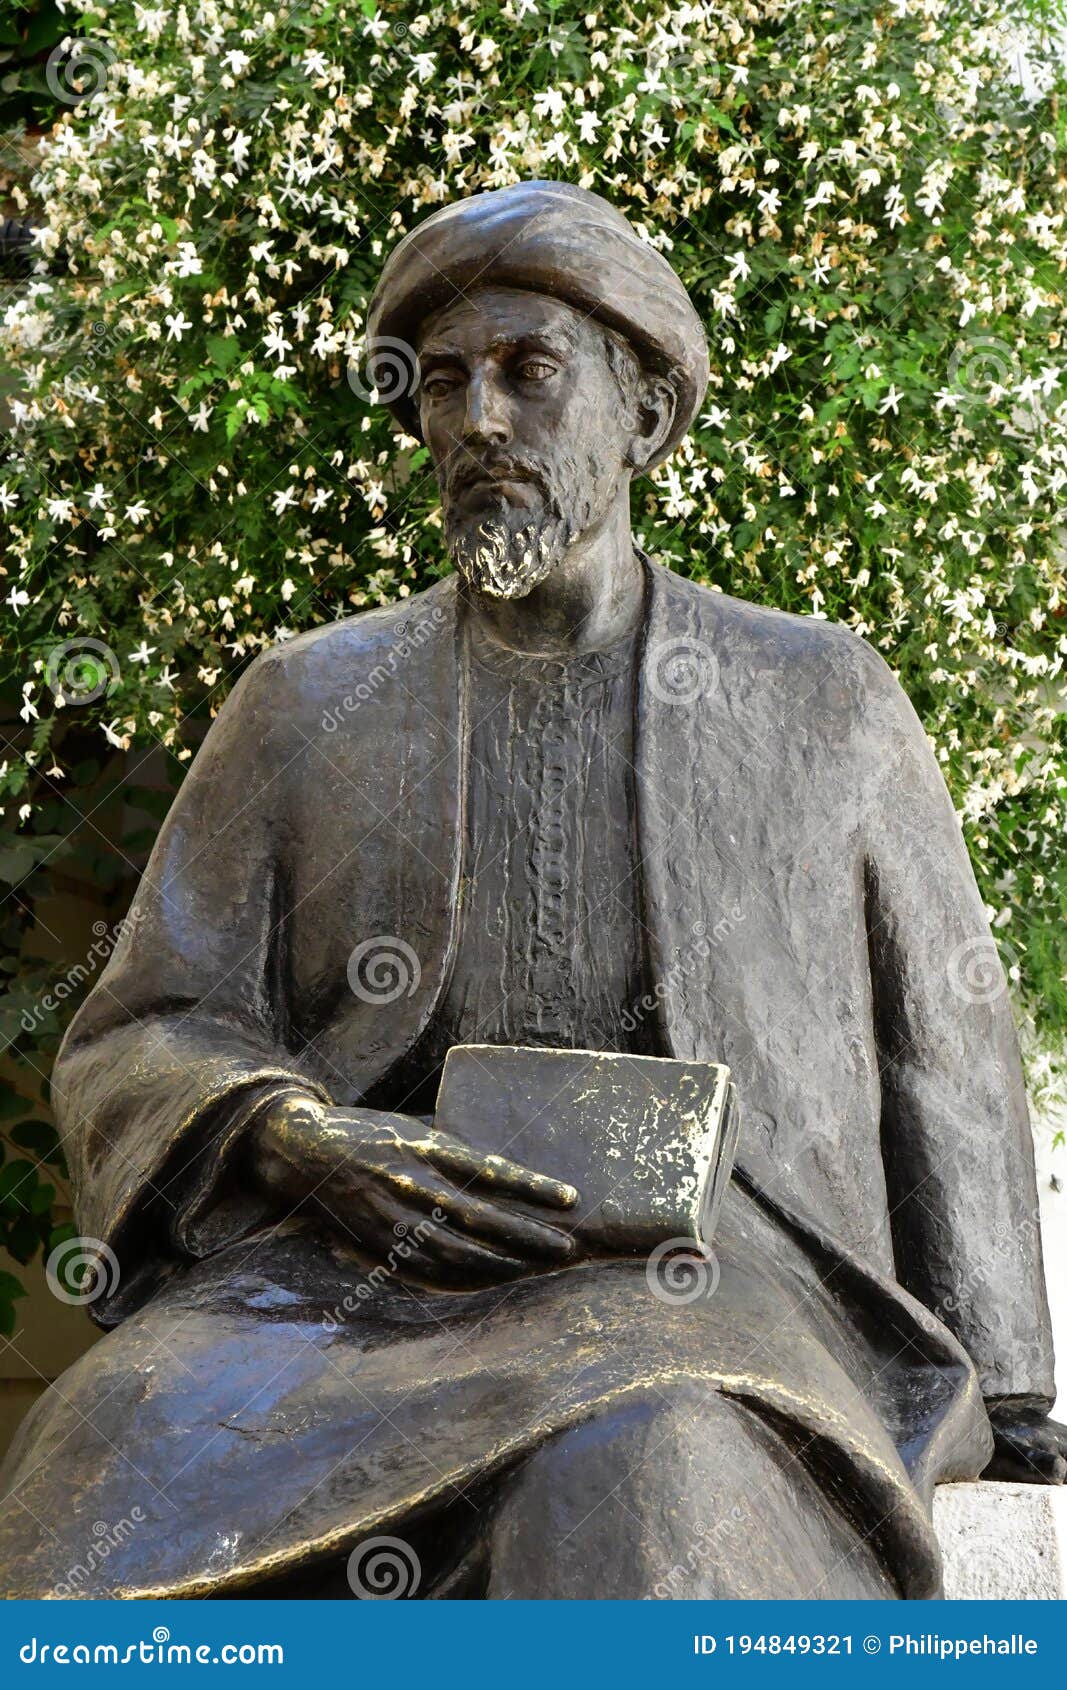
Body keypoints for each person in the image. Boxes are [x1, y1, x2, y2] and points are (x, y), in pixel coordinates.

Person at [1, 181, 1062, 1601]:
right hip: (347, 1287)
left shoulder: (820, 701)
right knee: (104, 1439)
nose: (479, 419)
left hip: (714, 1279)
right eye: (445, 384)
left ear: (646, 417)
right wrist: (308, 1139)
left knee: (638, 1466)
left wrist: (1006, 1386)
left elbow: (945, 1039)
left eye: (528, 372)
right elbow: (144, 1023)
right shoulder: (307, 701)